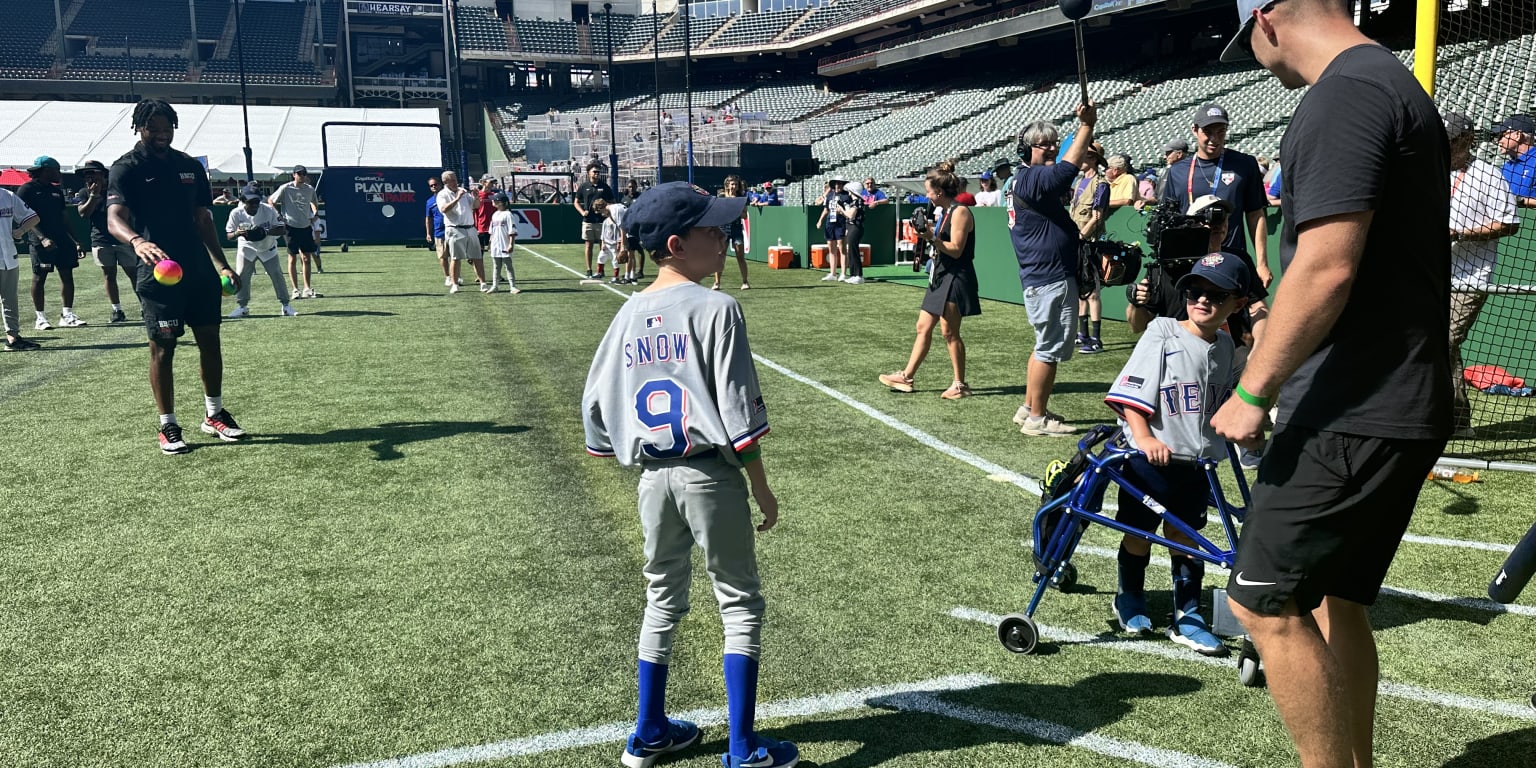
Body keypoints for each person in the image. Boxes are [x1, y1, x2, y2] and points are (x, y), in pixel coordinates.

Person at [1213, 3, 1452, 767]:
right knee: (1333, 600)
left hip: (1352, 404)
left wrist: (1252, 390)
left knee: (1261, 602)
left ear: (1270, 20)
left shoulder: (1344, 93)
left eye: (1246, 39)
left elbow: (1327, 266)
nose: (1254, 58)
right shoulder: (1393, 81)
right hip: (1398, 398)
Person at [581, 181, 798, 768]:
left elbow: (594, 407)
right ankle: (743, 747)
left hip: (653, 478)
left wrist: (623, 450)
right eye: (712, 230)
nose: (723, 237)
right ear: (676, 243)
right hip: (709, 474)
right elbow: (737, 409)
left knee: (662, 597)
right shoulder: (718, 307)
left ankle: (649, 731)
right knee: (739, 602)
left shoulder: (627, 311)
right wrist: (760, 484)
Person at [1105, 252, 1250, 655]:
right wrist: (1144, 437)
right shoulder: (1163, 331)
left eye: (1216, 295)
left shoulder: (1224, 344)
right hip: (1148, 459)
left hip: (1196, 462)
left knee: (1185, 536)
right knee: (1140, 532)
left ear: (1236, 303)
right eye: (1195, 291)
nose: (1202, 300)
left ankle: (1187, 616)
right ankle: (1129, 597)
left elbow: (1214, 405)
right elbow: (1132, 395)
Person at [106, 99, 246, 454]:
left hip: (198, 270)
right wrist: (137, 241)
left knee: (210, 342)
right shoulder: (127, 167)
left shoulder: (190, 167)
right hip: (158, 273)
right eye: (152, 126)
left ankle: (214, 415)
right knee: (163, 348)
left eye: (166, 126)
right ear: (139, 128)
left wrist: (222, 264)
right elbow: (114, 219)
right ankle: (167, 425)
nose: (161, 133)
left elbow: (203, 219)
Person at [1008, 101, 1098, 437]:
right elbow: (1065, 171)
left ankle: (1029, 407)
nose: (1049, 147)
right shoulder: (1032, 178)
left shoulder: (1025, 180)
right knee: (1048, 349)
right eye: (1042, 143)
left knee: (1042, 344)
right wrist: (1086, 126)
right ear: (1025, 149)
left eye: (1053, 142)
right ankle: (1037, 418)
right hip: (1050, 278)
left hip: (1043, 276)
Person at [1444, 111, 1521, 437]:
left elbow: (1509, 223)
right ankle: (1458, 423)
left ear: (1467, 140)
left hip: (1470, 277)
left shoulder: (1488, 175)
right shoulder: (1428, 170)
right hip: (1430, 273)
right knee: (1443, 348)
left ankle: (1447, 420)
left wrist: (1460, 233)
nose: (1444, 147)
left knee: (1444, 340)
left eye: (1450, 142)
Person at [878, 162, 980, 400]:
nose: (927, 195)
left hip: (956, 276)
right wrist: (928, 231)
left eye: (929, 191)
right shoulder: (945, 212)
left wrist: (931, 236)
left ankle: (960, 384)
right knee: (922, 327)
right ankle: (906, 376)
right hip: (940, 275)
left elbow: (955, 249)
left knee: (949, 332)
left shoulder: (960, 212)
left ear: (940, 193)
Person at [1160, 104, 1274, 288]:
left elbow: (1255, 214)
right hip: (1189, 262)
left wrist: (1262, 263)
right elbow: (1169, 219)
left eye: (1221, 132)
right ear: (1195, 130)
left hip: (1231, 259)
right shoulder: (1177, 170)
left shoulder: (1245, 164)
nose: (1214, 139)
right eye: (1208, 132)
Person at [18, 156, 85, 330]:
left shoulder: (56, 191)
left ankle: (67, 315)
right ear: (47, 170)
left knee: (67, 275)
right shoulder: (27, 189)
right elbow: (25, 218)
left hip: (62, 240)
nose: (59, 174)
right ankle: (40, 318)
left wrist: (76, 240)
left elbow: (64, 217)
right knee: (40, 278)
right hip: (41, 242)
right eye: (57, 170)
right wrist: (42, 238)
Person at [77, 159, 137, 324]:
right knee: (109, 275)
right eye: (86, 174)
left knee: (134, 273)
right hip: (101, 240)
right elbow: (83, 213)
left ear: (103, 175)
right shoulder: (84, 193)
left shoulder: (116, 189)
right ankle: (117, 310)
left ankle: (144, 305)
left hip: (122, 238)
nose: (89, 177)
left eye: (93, 173)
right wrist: (93, 196)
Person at [224, 184, 295, 318]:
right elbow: (229, 235)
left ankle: (286, 305)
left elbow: (282, 228)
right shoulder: (236, 213)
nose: (255, 204)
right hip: (247, 248)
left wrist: (266, 231)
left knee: (276, 274)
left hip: (267, 247)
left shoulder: (268, 210)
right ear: (243, 200)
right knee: (242, 275)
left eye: (257, 200)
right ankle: (242, 307)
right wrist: (237, 233)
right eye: (251, 201)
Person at [1069, 143, 1110, 355]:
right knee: (1080, 291)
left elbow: (1097, 216)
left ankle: (1096, 338)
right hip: (1078, 243)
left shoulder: (1101, 184)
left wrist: (1081, 234)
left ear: (1093, 159)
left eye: (1085, 156)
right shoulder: (1079, 182)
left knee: (1093, 292)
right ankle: (1082, 333)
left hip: (1091, 244)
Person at [269, 165, 322, 297]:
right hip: (290, 227)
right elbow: (271, 200)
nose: (302, 176)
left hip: (305, 226)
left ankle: (307, 289)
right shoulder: (286, 188)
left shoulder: (309, 189)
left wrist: (314, 214)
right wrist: (278, 215)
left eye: (304, 173)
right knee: (292, 258)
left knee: (306, 258)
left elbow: (314, 202)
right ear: (294, 175)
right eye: (299, 173)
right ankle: (295, 290)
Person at [0, 184, 41, 350]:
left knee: (10, 300)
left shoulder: (7, 195)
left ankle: (13, 338)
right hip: (7, 255)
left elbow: (33, 217)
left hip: (8, 255)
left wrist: (21, 230)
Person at [437, 170, 485, 293]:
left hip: (470, 227)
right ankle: (455, 284)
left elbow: (476, 206)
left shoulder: (463, 192)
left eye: (455, 179)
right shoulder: (442, 195)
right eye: (451, 180)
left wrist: (476, 197)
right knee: (456, 257)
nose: (455, 182)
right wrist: (457, 198)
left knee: (477, 257)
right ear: (445, 182)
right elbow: (444, 209)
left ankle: (483, 283)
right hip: (455, 228)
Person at [573, 162, 614, 279]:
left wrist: (607, 213)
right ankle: (589, 269)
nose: (596, 174)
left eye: (598, 172)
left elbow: (613, 201)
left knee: (603, 246)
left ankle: (600, 270)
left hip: (602, 221)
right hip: (588, 221)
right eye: (594, 171)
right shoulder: (583, 186)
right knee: (588, 245)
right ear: (588, 173)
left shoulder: (605, 187)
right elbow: (576, 202)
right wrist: (582, 212)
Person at [714, 175, 750, 291]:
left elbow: (745, 215)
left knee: (740, 255)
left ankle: (745, 282)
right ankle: (717, 283)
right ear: (727, 185)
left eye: (736, 184)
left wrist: (736, 210)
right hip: (723, 228)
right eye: (732, 184)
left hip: (736, 228)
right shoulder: (721, 196)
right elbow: (717, 211)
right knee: (720, 255)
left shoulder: (741, 198)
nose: (734, 186)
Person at [1493, 114, 1536, 207]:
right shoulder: (1506, 167)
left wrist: (1519, 200)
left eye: (1502, 135)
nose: (1498, 141)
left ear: (1518, 135)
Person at [816, 178, 850, 282]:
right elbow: (826, 209)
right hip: (830, 223)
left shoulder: (846, 196)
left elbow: (849, 212)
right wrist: (820, 220)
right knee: (831, 248)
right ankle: (833, 273)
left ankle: (843, 273)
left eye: (840, 183)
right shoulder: (830, 195)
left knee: (842, 249)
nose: (837, 186)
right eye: (836, 184)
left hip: (841, 223)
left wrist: (847, 225)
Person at [487, 192, 520, 294]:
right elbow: (491, 232)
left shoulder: (508, 214)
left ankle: (512, 286)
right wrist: (490, 244)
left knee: (508, 266)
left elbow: (512, 231)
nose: (493, 201)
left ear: (500, 202)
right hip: (495, 245)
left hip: (504, 244)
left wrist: (510, 244)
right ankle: (495, 285)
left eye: (495, 200)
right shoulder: (494, 214)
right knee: (496, 266)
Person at [424, 176, 452, 286]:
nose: (434, 186)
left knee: (455, 256)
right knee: (442, 256)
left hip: (452, 228)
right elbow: (428, 218)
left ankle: (456, 276)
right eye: (431, 185)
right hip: (439, 231)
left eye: (436, 184)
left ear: (441, 185)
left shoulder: (449, 197)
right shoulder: (430, 202)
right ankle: (448, 277)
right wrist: (428, 233)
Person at [841, 179, 869, 285]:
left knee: (854, 251)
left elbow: (851, 215)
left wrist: (842, 211)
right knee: (851, 251)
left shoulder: (857, 201)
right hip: (852, 227)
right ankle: (853, 274)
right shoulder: (854, 202)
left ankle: (858, 275)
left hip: (856, 227)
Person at [476, 175, 499, 264]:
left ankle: (497, 274)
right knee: (479, 253)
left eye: (493, 182)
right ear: (483, 182)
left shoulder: (494, 196)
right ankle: (478, 275)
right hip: (480, 227)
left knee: (495, 252)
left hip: (492, 228)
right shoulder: (477, 195)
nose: (492, 184)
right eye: (491, 182)